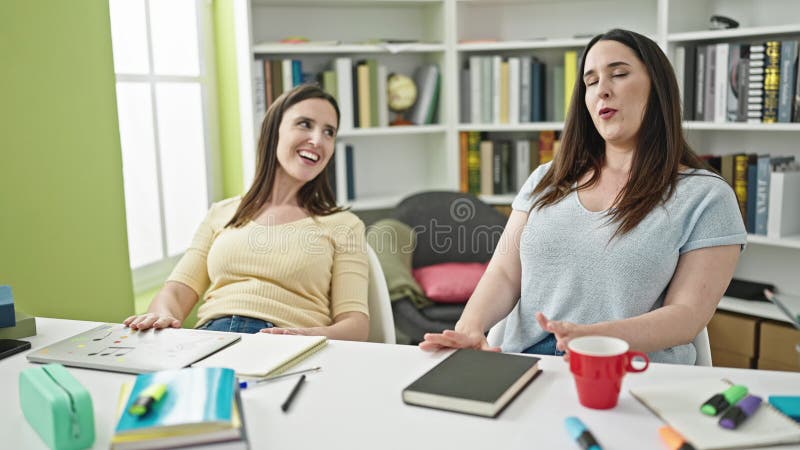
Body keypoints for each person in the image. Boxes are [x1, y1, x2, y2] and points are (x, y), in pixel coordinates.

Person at [420, 29, 747, 364]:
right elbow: (503, 273)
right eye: (590, 82)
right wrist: (470, 327)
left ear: (658, 87)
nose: (602, 90)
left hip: (626, 370)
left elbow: (687, 316)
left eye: (618, 74)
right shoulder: (546, 179)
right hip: (522, 362)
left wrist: (595, 337)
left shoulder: (706, 197)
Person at [124, 84, 370, 340]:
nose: (318, 140)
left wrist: (307, 336)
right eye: (305, 124)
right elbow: (174, 293)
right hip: (210, 341)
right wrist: (162, 315)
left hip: (289, 346)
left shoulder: (344, 224)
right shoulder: (222, 213)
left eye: (329, 132)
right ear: (274, 131)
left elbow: (355, 325)